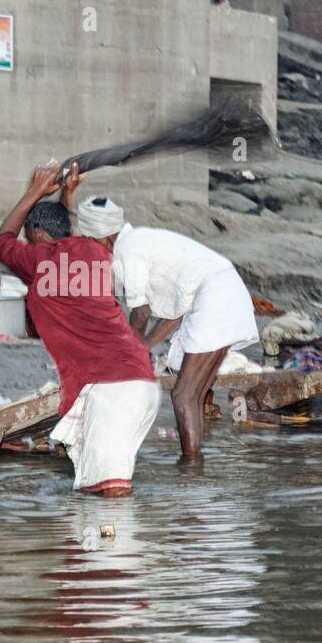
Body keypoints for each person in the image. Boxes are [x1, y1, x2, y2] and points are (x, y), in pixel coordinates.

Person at [0, 163, 160, 497]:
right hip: (135, 383)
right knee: (91, 491)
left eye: (31, 240)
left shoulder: (39, 258)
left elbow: (1, 242)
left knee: (110, 497)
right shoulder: (93, 253)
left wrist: (35, 190)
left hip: (110, 391)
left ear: (38, 238)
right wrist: (66, 195)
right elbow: (64, 240)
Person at [75, 193, 259, 457]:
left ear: (100, 239)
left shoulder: (128, 250)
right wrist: (143, 348)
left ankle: (191, 471)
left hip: (217, 298)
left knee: (183, 396)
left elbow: (140, 312)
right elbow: (173, 313)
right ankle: (195, 469)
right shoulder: (139, 239)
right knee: (191, 396)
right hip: (225, 292)